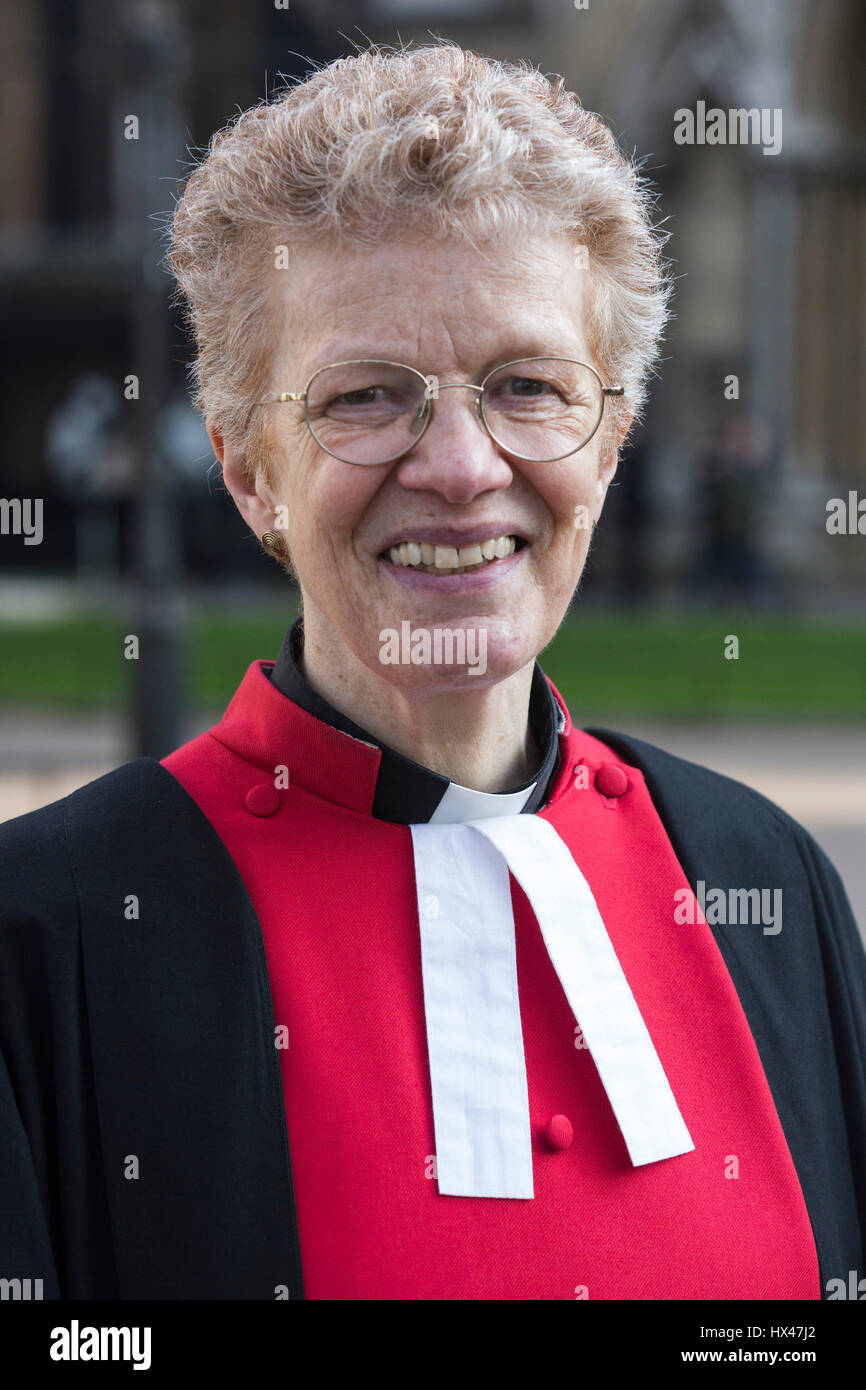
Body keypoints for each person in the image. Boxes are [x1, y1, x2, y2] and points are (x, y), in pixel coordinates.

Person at [1, 42, 863, 1302]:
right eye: (365, 396)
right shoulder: (46, 934)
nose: (459, 464)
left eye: (526, 386)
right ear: (247, 471)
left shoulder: (760, 878)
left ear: (610, 442)